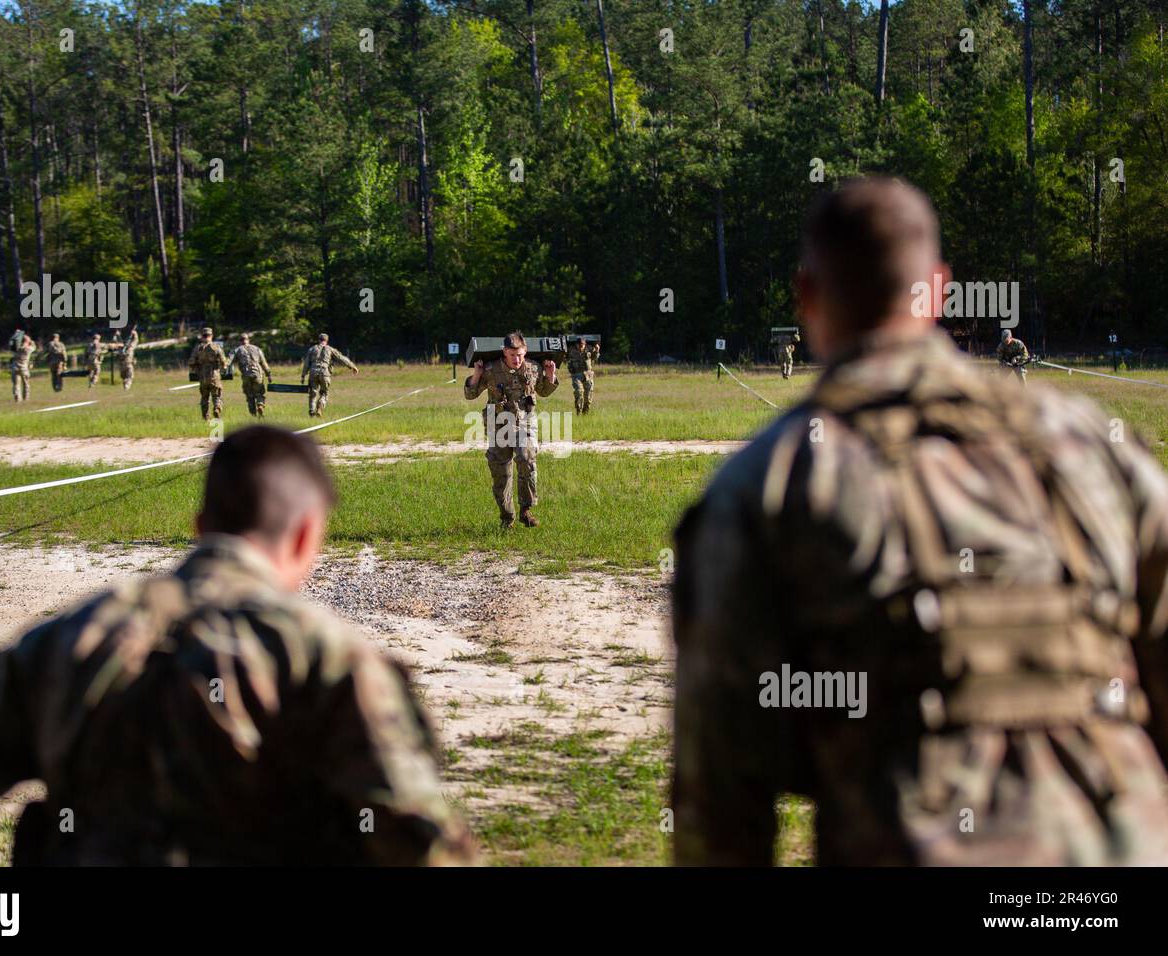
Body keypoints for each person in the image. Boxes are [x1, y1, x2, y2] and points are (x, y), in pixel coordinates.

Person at [672, 176, 1168, 866]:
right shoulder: (1091, 443)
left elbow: (723, 790)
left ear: (807, 296)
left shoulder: (773, 481)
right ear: (937, 290)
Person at [0, 426, 475, 866]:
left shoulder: (64, 638)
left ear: (200, 524)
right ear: (305, 534)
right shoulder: (323, 654)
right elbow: (417, 834)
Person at [463, 331, 558, 528]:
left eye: (520, 355)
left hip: (525, 422)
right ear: (505, 352)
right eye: (513, 355)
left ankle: (526, 509)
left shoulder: (533, 368)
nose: (517, 359)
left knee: (526, 458)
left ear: (525, 351)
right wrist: (477, 374)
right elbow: (470, 394)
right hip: (499, 425)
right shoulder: (491, 369)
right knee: (501, 472)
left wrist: (550, 376)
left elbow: (544, 391)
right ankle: (507, 517)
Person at [301, 333, 358, 418]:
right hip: (325, 373)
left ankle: (312, 411)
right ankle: (320, 408)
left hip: (313, 373)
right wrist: (352, 366)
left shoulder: (312, 349)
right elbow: (341, 358)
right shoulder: (330, 349)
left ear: (318, 340)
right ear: (326, 341)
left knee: (313, 393)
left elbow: (306, 363)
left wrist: (303, 375)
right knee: (324, 393)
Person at [189, 327, 229, 421]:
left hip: (202, 376)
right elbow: (224, 362)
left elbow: (191, 362)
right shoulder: (216, 347)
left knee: (204, 398)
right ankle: (217, 408)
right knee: (217, 396)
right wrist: (223, 367)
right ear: (211, 336)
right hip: (214, 375)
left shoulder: (198, 348)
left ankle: (206, 417)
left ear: (202, 336)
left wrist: (196, 367)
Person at [229, 332, 272, 417]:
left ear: (240, 341)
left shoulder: (237, 350)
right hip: (257, 374)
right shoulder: (257, 349)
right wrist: (269, 374)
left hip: (246, 375)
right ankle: (260, 405)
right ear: (248, 340)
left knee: (249, 396)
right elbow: (264, 363)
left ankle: (253, 415)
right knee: (259, 393)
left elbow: (229, 362)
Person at [566, 337, 599, 415]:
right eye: (579, 345)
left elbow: (595, 357)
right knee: (579, 392)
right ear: (576, 345)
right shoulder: (571, 350)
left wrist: (597, 350)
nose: (581, 346)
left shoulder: (589, 349)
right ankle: (579, 411)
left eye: (582, 345)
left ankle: (585, 413)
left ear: (585, 344)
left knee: (588, 395)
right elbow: (565, 357)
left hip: (588, 375)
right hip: (576, 375)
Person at [11, 331, 36, 402]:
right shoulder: (28, 349)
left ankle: (17, 397)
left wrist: (17, 334)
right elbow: (34, 347)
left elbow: (13, 344)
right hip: (24, 368)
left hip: (15, 367)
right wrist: (31, 341)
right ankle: (26, 398)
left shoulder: (17, 349)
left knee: (16, 384)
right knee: (26, 384)